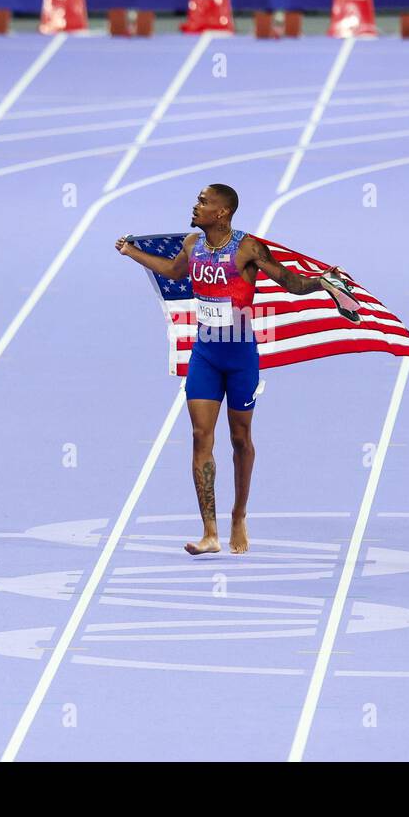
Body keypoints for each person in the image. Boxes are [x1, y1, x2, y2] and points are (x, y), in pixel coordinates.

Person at [115, 184, 348, 555]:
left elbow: (290, 282)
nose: (195, 206)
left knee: (239, 439)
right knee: (199, 436)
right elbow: (174, 272)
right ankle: (210, 532)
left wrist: (322, 282)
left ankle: (239, 514)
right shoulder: (193, 244)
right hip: (205, 355)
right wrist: (133, 253)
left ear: (221, 213)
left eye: (203, 202)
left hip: (241, 358)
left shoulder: (247, 248)